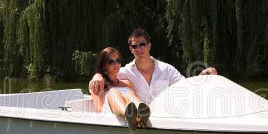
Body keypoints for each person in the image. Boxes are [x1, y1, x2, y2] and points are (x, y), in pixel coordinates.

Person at [89, 29, 217, 104]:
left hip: (163, 120)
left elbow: (186, 85)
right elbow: (108, 72)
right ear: (131, 49)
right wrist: (97, 76)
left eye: (142, 44)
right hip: (140, 122)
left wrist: (201, 77)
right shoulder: (125, 71)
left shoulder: (167, 70)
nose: (139, 49)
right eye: (135, 46)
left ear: (149, 46)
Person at [92, 46, 151, 130]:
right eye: (111, 62)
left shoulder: (127, 83)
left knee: (130, 94)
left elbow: (134, 100)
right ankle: (128, 115)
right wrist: (97, 76)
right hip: (110, 115)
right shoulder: (98, 84)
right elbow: (98, 110)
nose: (116, 64)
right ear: (104, 65)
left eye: (118, 61)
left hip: (132, 112)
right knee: (113, 93)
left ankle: (140, 115)